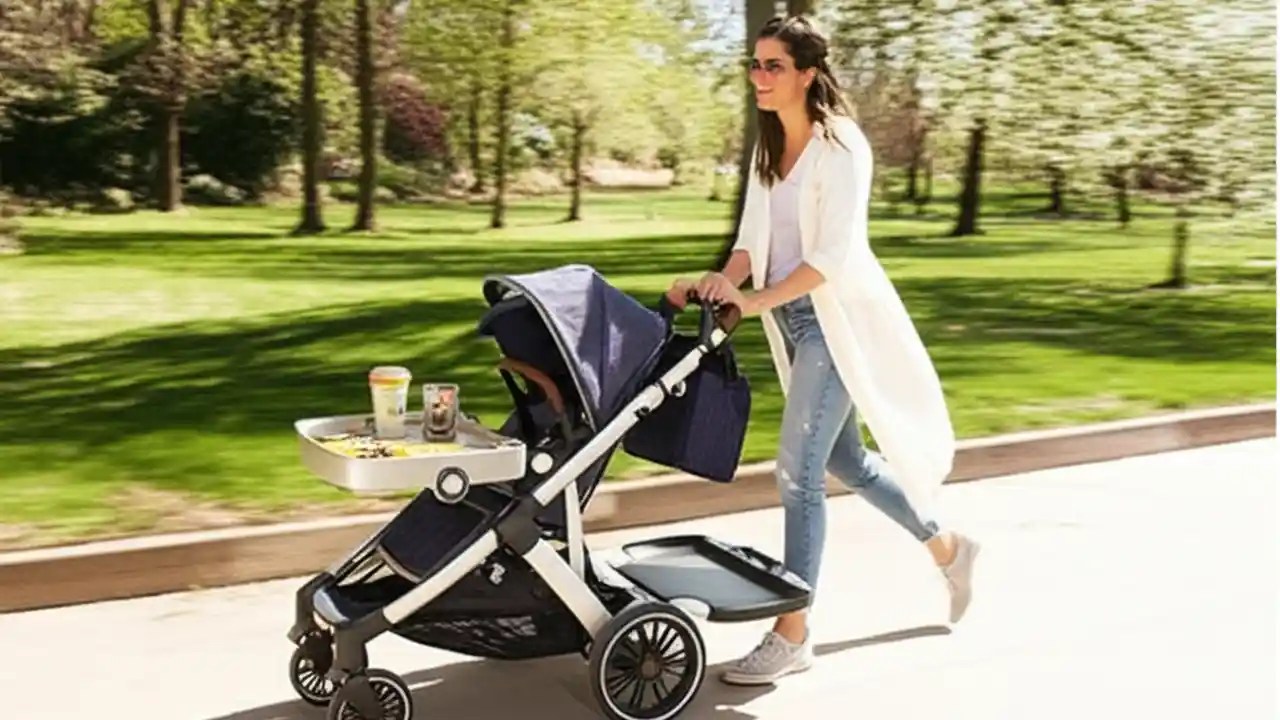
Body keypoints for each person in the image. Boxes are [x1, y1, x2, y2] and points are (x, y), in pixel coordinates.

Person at [665, 15, 980, 686]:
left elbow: (831, 258)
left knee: (796, 474)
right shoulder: (767, 145)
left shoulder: (843, 148)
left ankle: (792, 630)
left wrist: (754, 301)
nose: (758, 76)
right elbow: (753, 240)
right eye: (753, 64)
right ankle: (949, 550)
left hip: (835, 323)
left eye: (772, 66)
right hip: (793, 320)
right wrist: (722, 280)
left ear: (808, 74)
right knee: (847, 462)